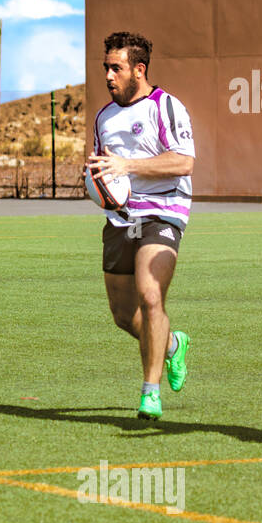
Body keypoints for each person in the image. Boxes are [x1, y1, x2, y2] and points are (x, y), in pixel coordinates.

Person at [87, 32, 195, 421]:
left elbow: (184, 163)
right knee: (121, 312)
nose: (108, 76)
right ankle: (171, 346)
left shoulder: (166, 107)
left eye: (116, 68)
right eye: (106, 68)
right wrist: (95, 180)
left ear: (139, 69)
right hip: (120, 218)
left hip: (164, 212)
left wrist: (127, 166)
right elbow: (105, 171)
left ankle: (150, 394)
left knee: (151, 296)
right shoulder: (103, 117)